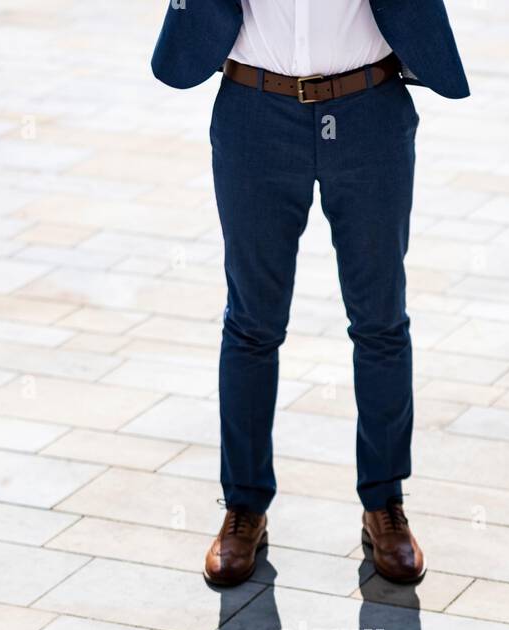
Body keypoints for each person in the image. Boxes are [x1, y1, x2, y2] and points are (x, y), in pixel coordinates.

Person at [152, 0, 469, 586]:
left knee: (380, 321)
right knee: (252, 323)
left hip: (368, 110)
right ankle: (243, 506)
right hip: (255, 112)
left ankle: (385, 504)